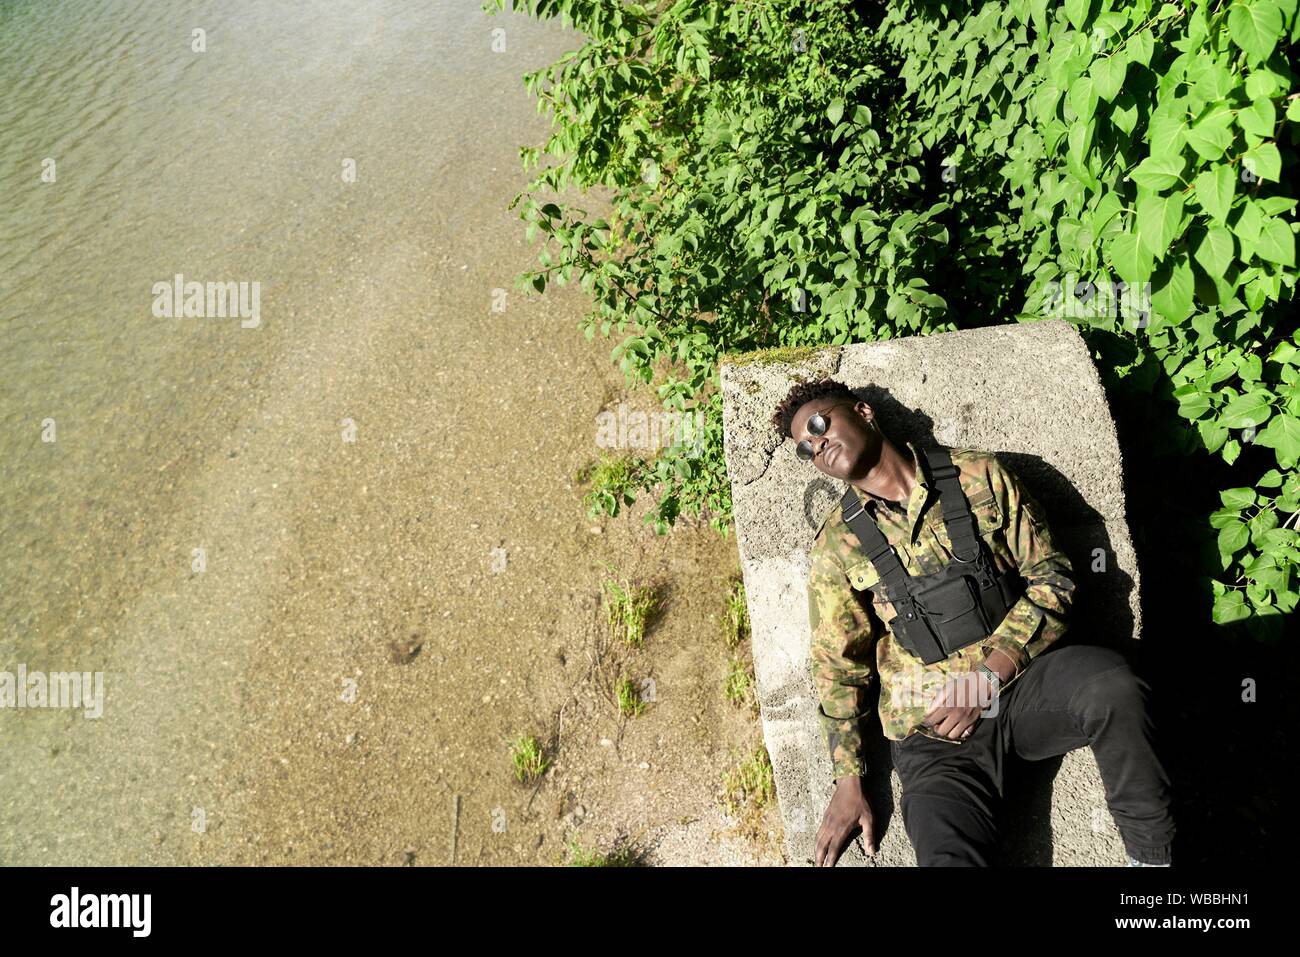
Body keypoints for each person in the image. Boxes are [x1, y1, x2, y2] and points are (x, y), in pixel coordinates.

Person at [770, 377, 1176, 867]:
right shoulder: (836, 545)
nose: (817, 444)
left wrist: (991, 673)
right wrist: (848, 779)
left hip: (1026, 686)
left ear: (862, 411)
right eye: (805, 449)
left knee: (1112, 684)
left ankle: (1153, 866)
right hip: (936, 736)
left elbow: (1054, 577)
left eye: (820, 424)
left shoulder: (977, 474)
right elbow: (839, 666)